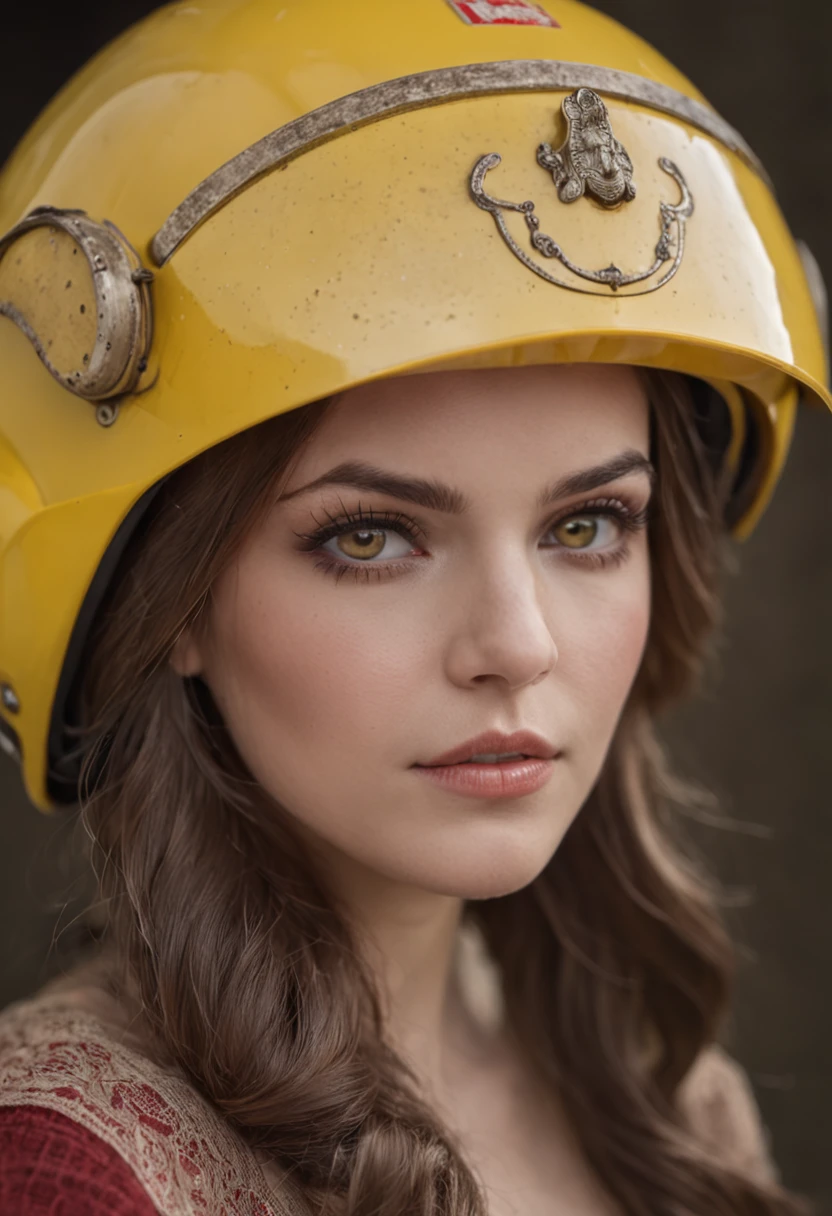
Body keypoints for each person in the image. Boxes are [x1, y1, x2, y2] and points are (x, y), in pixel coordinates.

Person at [0, 0, 827, 1213]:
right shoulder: (69, 1171)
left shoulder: (671, 1107)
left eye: (585, 526)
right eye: (372, 536)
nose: (517, 645)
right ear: (162, 597)